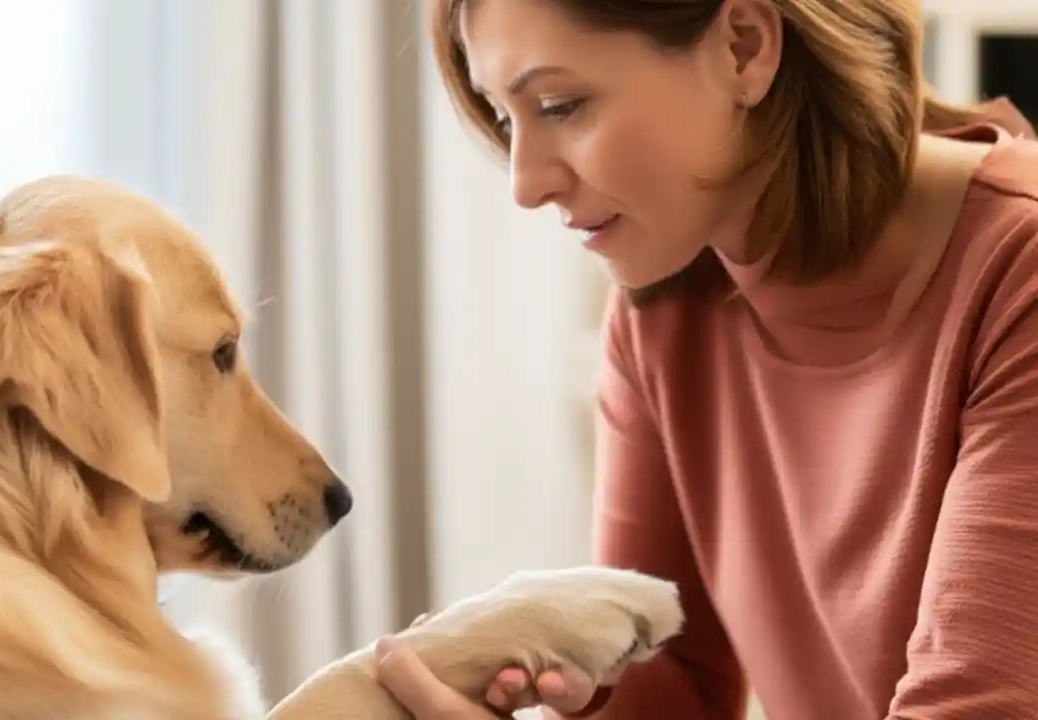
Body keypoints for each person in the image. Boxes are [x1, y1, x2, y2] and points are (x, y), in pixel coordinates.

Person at [372, 0, 1038, 718]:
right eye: (505, 119)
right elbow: (668, 687)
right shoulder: (662, 311)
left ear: (744, 47)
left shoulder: (1015, 277)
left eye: (561, 105)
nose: (525, 184)